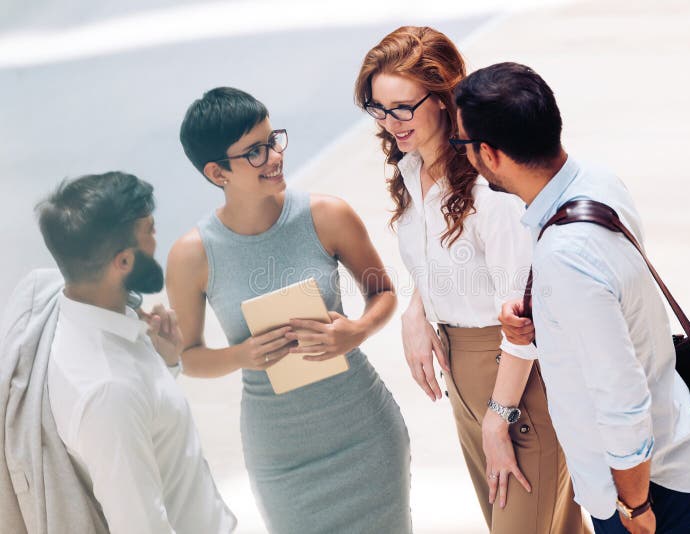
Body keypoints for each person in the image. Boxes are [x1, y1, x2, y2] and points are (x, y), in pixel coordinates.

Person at [454, 61, 690, 534]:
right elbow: (611, 294)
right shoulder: (596, 183)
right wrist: (543, 315)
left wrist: (634, 507)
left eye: (463, 145)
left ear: (490, 154)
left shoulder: (566, 254)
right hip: (669, 451)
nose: (463, 156)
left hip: (647, 485)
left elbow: (621, 396)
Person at [355, 27, 586, 533]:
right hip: (461, 374)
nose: (390, 123)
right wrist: (417, 312)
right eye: (378, 108)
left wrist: (499, 414)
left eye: (403, 108)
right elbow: (446, 262)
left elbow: (523, 309)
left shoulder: (490, 190)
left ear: (443, 98)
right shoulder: (412, 170)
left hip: (517, 379)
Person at [168, 87, 411, 534]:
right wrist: (241, 355)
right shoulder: (192, 255)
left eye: (272, 140)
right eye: (254, 152)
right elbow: (188, 357)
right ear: (217, 172)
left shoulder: (328, 215)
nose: (275, 157)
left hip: (364, 431)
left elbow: (384, 292)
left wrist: (356, 331)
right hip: (281, 457)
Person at [37, 171, 237, 533]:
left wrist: (167, 363)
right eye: (151, 230)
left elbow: (146, 419)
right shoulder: (108, 392)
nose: (157, 238)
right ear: (124, 262)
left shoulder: (94, 313)